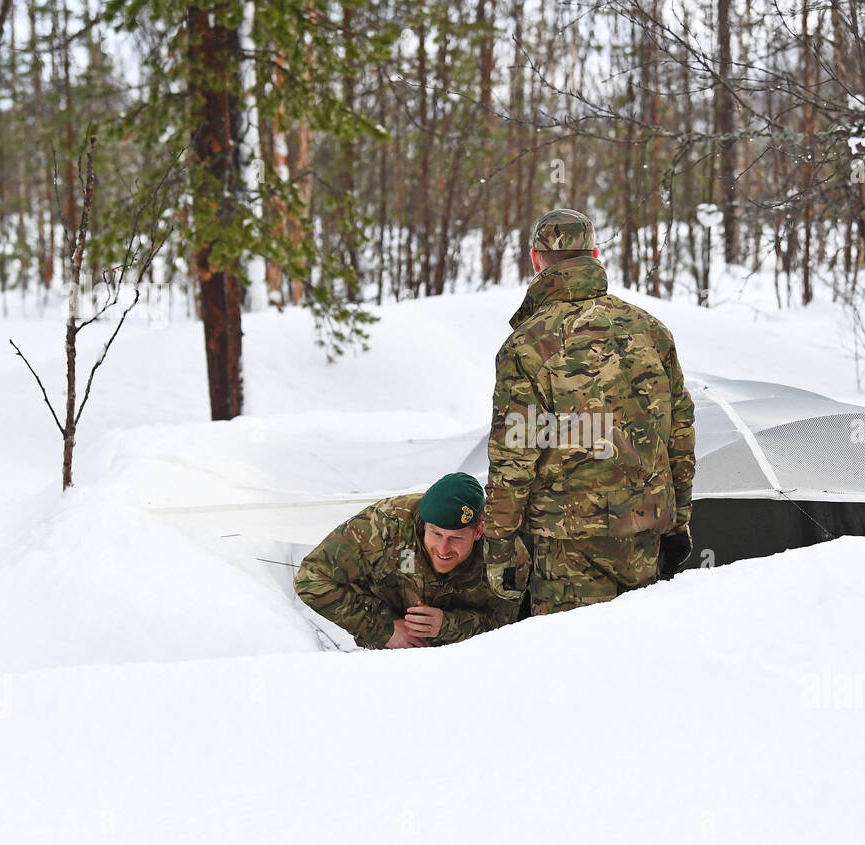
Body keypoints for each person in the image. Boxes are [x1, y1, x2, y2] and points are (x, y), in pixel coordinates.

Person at [482, 208, 696, 615]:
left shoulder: (527, 343)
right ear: (595, 253)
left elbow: (514, 458)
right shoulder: (650, 329)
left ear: (535, 259)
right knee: (638, 648)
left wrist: (499, 548)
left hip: (567, 543)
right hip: (644, 530)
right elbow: (679, 432)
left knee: (573, 659)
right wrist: (678, 521)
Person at [294, 472, 529, 649]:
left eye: (456, 538)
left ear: (478, 532)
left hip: (469, 658)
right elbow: (312, 577)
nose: (443, 549)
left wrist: (447, 625)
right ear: (423, 524)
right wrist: (385, 629)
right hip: (390, 654)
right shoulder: (383, 526)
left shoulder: (506, 554)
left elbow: (507, 626)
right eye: (436, 534)